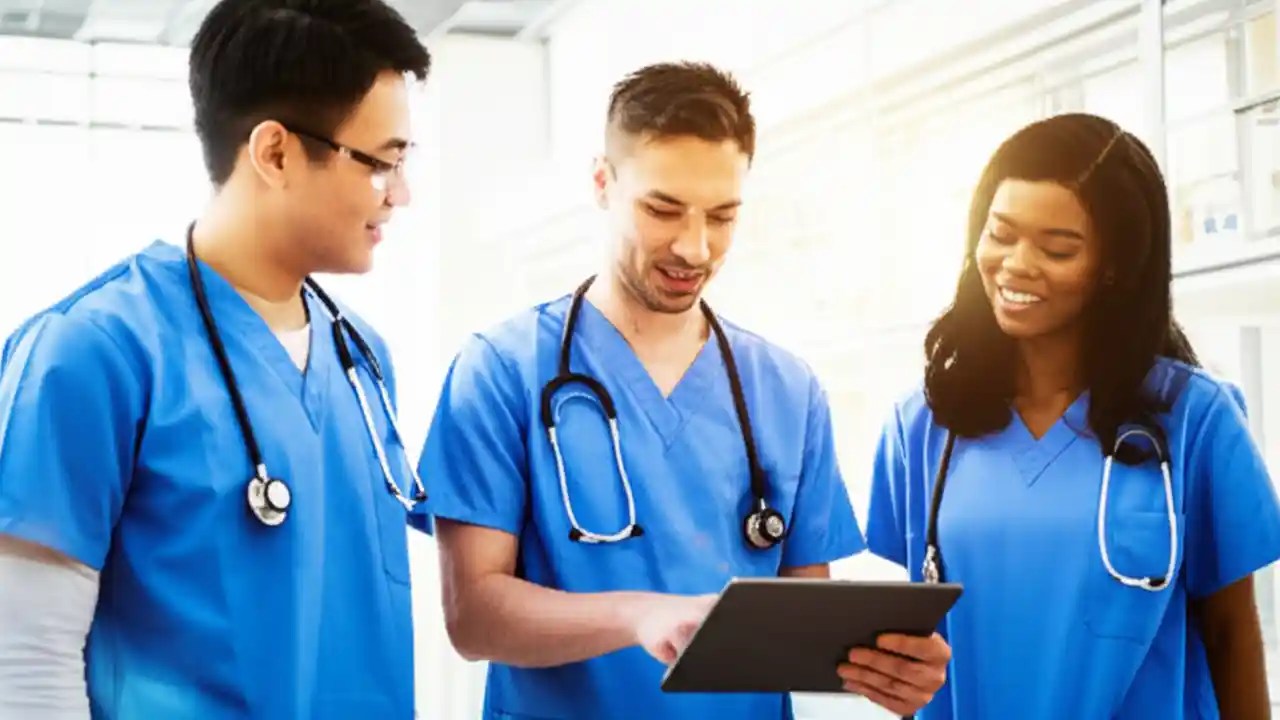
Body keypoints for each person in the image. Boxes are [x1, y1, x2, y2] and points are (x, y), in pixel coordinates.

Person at [415, 60, 951, 720]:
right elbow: (472, 618)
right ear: (603, 184)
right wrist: (639, 615)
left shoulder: (785, 389)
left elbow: (802, 622)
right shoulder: (502, 370)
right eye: (662, 210)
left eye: (722, 217)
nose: (695, 249)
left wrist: (889, 666)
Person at [0, 2, 431, 718]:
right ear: (275, 153)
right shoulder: (93, 351)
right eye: (382, 162)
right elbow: (25, 663)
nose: (402, 194)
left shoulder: (362, 359)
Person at [864, 112, 1280, 718]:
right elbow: (914, 658)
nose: (1016, 264)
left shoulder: (1194, 420)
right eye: (1000, 234)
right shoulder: (922, 428)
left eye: (1057, 248)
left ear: (1114, 265)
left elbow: (1231, 634)